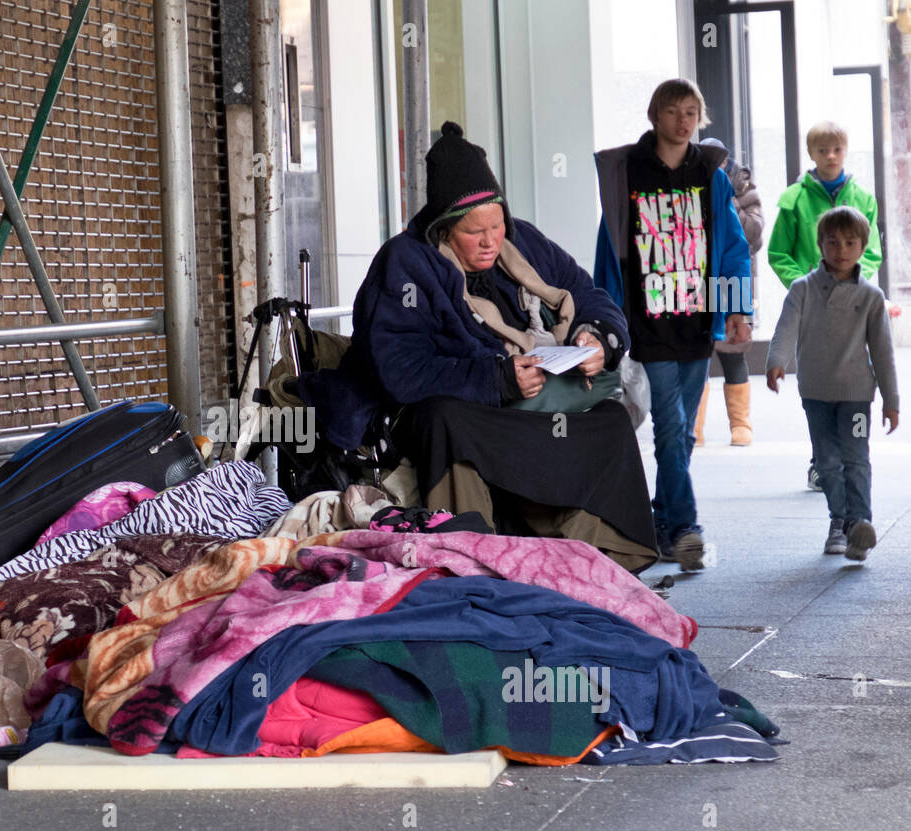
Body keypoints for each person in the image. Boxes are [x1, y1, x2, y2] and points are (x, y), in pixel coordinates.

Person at [302, 121, 657, 571]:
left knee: (609, 419)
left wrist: (599, 336)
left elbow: (588, 294)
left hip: (532, 402)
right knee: (445, 418)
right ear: (445, 228)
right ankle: (476, 552)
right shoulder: (406, 263)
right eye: (475, 232)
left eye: (497, 225)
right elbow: (399, 368)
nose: (492, 240)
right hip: (465, 409)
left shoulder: (523, 241)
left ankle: (600, 553)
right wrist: (497, 379)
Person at [593, 78, 753, 572]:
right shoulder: (627, 174)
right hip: (650, 323)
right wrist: (607, 322)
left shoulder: (711, 176)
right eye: (673, 111)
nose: (683, 121)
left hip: (697, 321)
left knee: (680, 436)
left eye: (691, 112)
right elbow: (610, 252)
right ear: (655, 115)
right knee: (670, 424)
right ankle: (686, 527)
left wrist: (736, 310)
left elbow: (730, 247)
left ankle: (660, 525)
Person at [766, 120, 897, 491]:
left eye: (837, 149)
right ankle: (820, 460)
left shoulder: (864, 198)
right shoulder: (794, 200)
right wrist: (802, 283)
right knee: (820, 376)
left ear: (846, 150)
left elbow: (872, 252)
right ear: (812, 154)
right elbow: (778, 252)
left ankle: (848, 463)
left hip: (854, 302)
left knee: (853, 373)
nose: (831, 156)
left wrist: (856, 277)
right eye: (823, 150)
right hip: (814, 302)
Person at [766, 206, 898, 562]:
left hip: (856, 396)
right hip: (816, 394)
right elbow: (785, 329)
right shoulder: (803, 290)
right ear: (820, 244)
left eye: (850, 242)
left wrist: (891, 399)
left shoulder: (871, 297)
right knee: (826, 463)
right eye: (832, 241)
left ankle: (859, 522)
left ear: (863, 247)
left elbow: (883, 351)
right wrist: (776, 361)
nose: (841, 249)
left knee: (856, 459)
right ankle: (841, 520)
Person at [692, 137, 763, 447]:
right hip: (699, 283)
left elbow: (753, 234)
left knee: (734, 354)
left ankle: (740, 422)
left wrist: (729, 202)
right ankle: (694, 426)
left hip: (731, 280)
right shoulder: (693, 186)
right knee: (698, 357)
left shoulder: (744, 188)